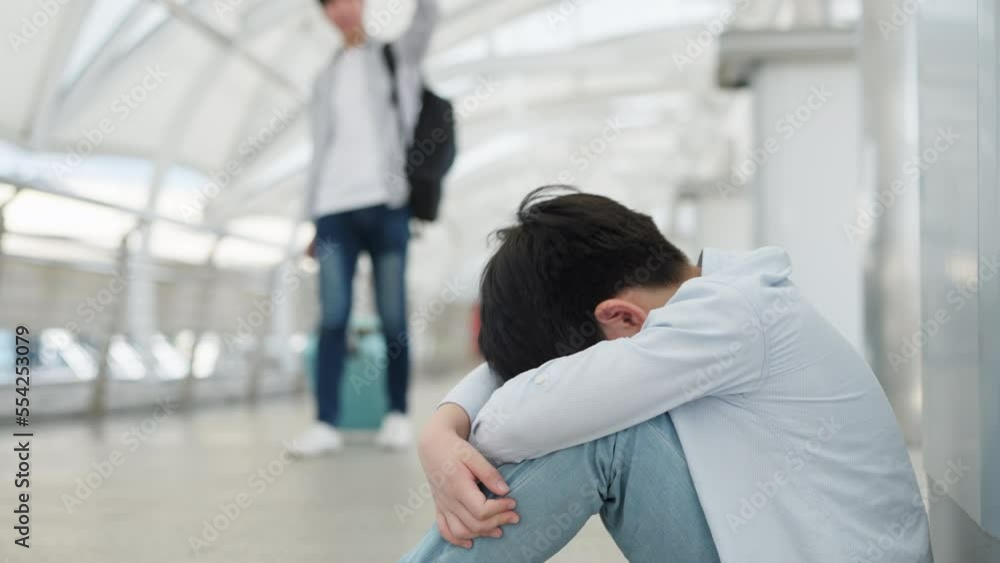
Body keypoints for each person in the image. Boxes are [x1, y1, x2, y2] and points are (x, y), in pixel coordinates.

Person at [401, 186, 932, 562]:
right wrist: (443, 427)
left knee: (605, 438)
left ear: (620, 317)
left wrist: (452, 433)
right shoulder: (726, 301)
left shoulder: (728, 316)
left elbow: (517, 423)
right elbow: (536, 389)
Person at [292, 0, 440, 456]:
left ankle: (396, 414)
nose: (340, 10)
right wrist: (311, 218)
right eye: (329, 5)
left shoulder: (396, 56)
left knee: (393, 315)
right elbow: (321, 150)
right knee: (333, 317)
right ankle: (325, 423)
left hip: (387, 205)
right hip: (333, 208)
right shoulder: (325, 77)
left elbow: (427, 19)